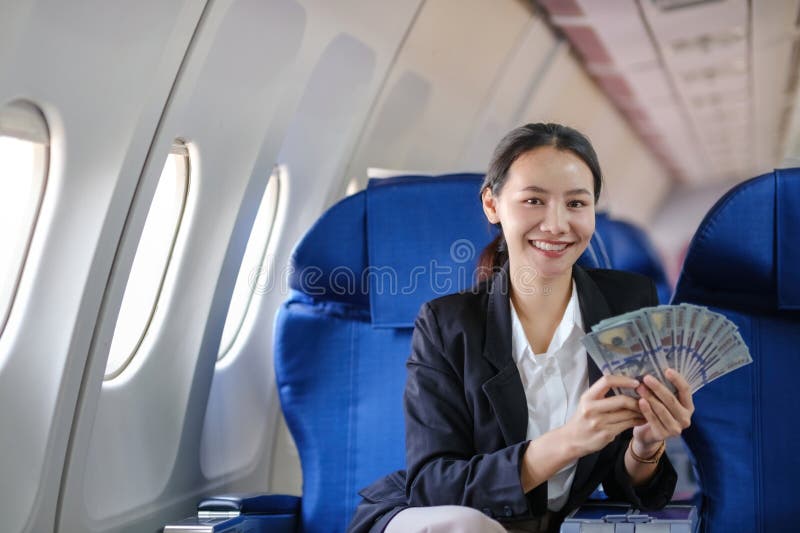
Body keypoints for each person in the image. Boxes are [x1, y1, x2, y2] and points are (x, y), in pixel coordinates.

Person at [348, 123, 693, 533]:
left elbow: (626, 486)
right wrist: (570, 440)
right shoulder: (448, 324)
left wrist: (646, 445)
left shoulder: (626, 303)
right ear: (492, 205)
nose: (557, 224)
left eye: (576, 204)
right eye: (533, 201)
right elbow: (433, 486)